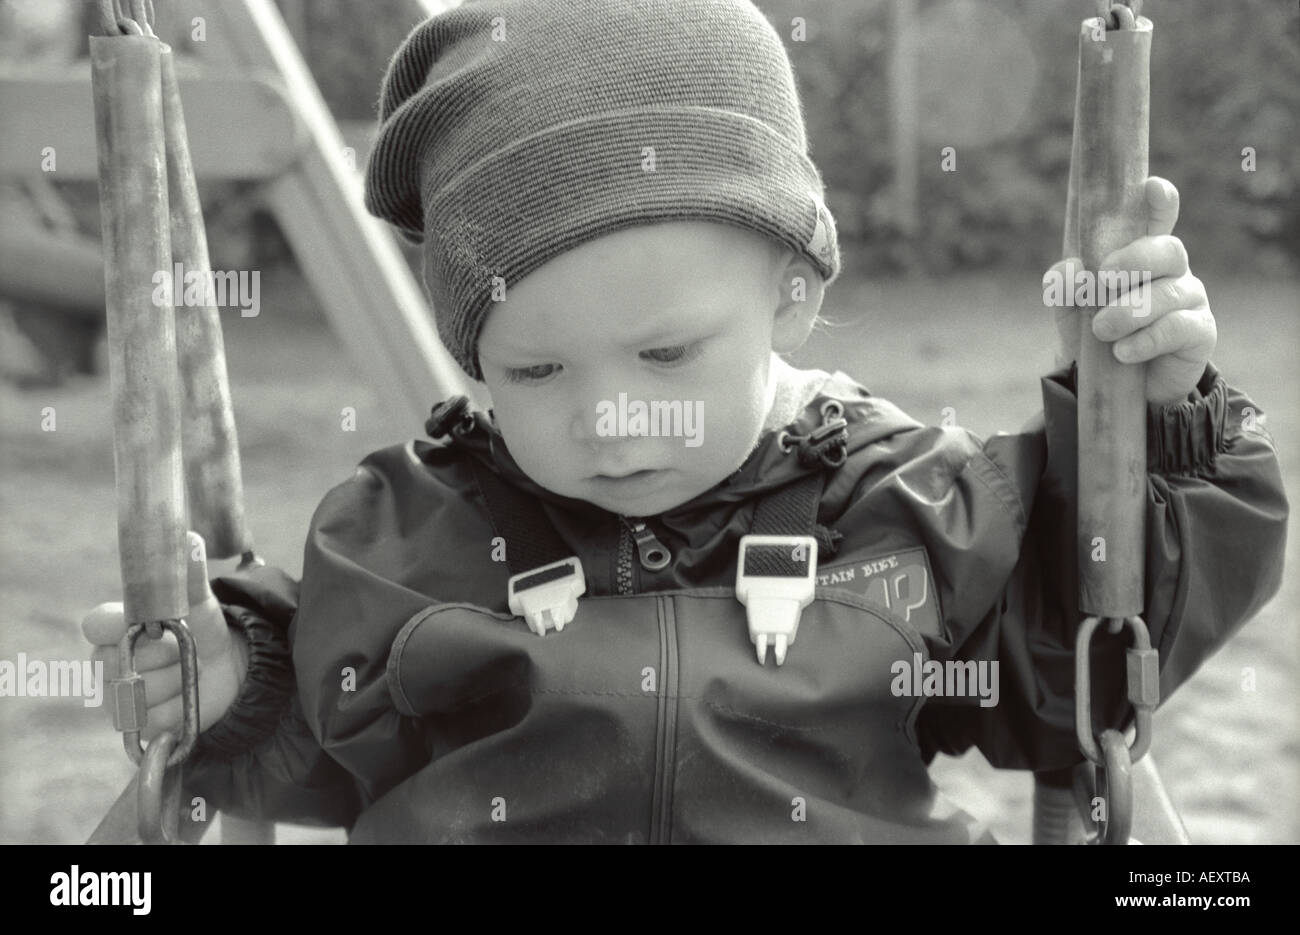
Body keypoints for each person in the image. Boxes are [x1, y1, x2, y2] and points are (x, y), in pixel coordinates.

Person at [82, 0, 1287, 843]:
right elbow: (318, 754)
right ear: (473, 356)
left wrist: (1158, 414)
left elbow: (1086, 666)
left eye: (665, 351)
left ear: (793, 293)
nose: (612, 418)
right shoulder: (405, 534)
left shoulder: (909, 510)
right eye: (537, 368)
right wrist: (230, 682)